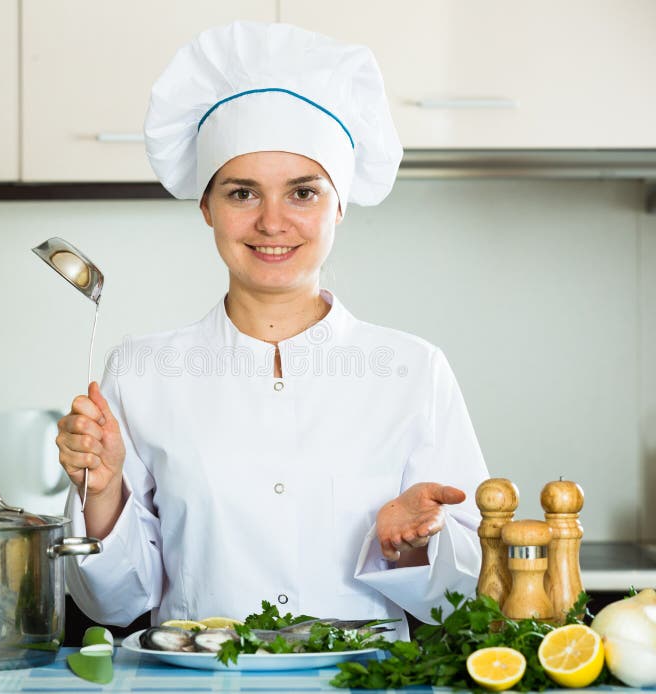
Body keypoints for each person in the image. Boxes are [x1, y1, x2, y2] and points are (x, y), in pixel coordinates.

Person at [57, 21, 489, 640]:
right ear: (207, 207)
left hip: (360, 682)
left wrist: (409, 545)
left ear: (339, 205)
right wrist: (101, 497)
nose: (272, 221)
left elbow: (466, 593)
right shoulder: (142, 371)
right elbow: (115, 604)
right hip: (197, 685)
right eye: (242, 192)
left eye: (303, 193)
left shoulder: (413, 370)